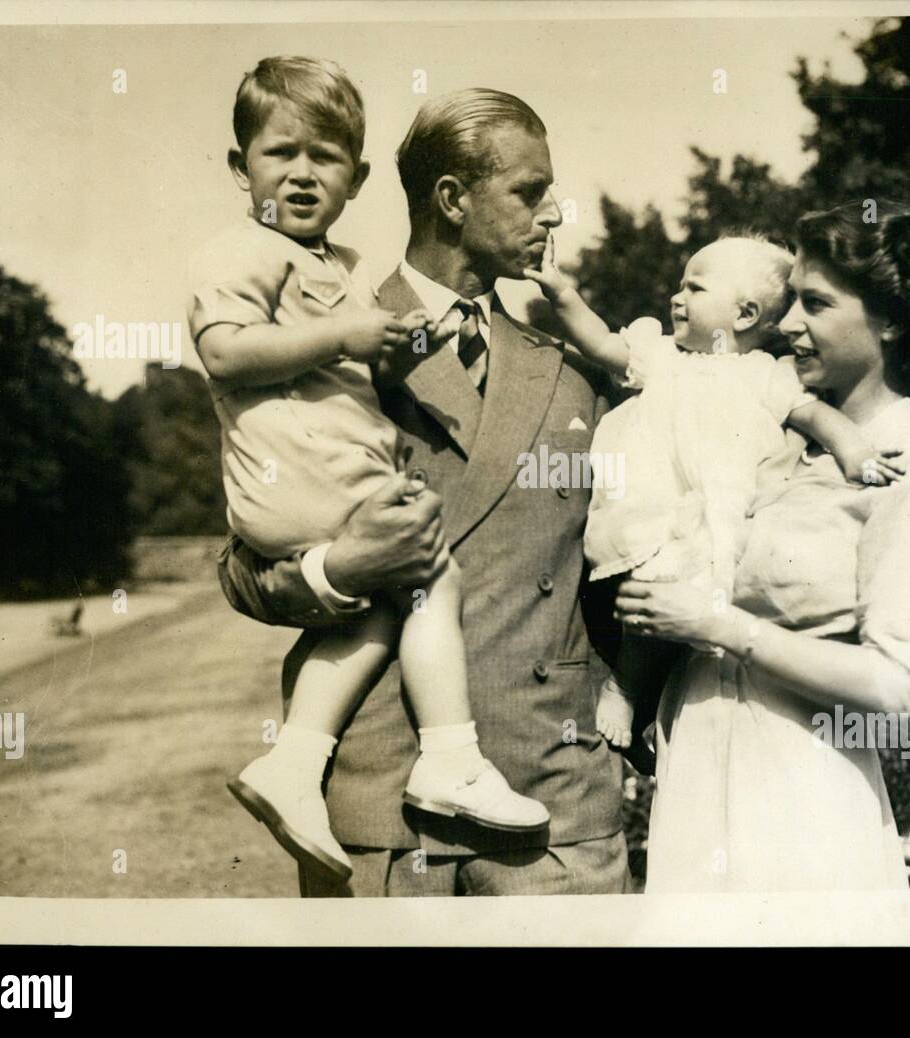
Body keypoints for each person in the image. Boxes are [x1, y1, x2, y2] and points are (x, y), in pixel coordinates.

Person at [216, 86, 633, 896]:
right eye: (529, 191)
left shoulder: (577, 368)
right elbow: (240, 565)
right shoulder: (325, 340)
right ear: (451, 198)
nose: (553, 214)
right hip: (382, 813)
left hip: (552, 809)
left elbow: (635, 553)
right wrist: (337, 572)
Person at [612, 202, 910, 892]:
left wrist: (714, 624)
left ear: (892, 320)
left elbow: (897, 687)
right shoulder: (784, 449)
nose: (787, 325)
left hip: (800, 805)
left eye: (815, 303)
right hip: (695, 782)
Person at [524, 234, 904, 749]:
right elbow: (602, 344)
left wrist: (855, 452)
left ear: (745, 315)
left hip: (716, 519)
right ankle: (626, 687)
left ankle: (659, 711)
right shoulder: (662, 356)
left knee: (692, 611)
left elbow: (815, 415)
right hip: (653, 508)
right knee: (650, 593)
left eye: (695, 288)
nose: (676, 298)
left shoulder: (766, 376)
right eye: (680, 286)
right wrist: (561, 293)